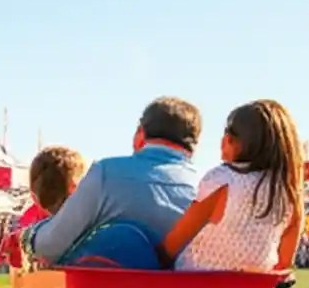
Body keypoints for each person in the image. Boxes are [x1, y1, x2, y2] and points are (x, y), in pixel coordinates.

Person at [21, 97, 201, 268]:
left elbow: (51, 245)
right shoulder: (206, 190)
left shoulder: (105, 173)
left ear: (140, 135)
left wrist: (27, 237)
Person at [161, 99, 304, 273]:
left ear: (238, 141)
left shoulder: (222, 180)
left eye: (228, 133)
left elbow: (171, 246)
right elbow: (283, 264)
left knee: (130, 238)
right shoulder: (289, 194)